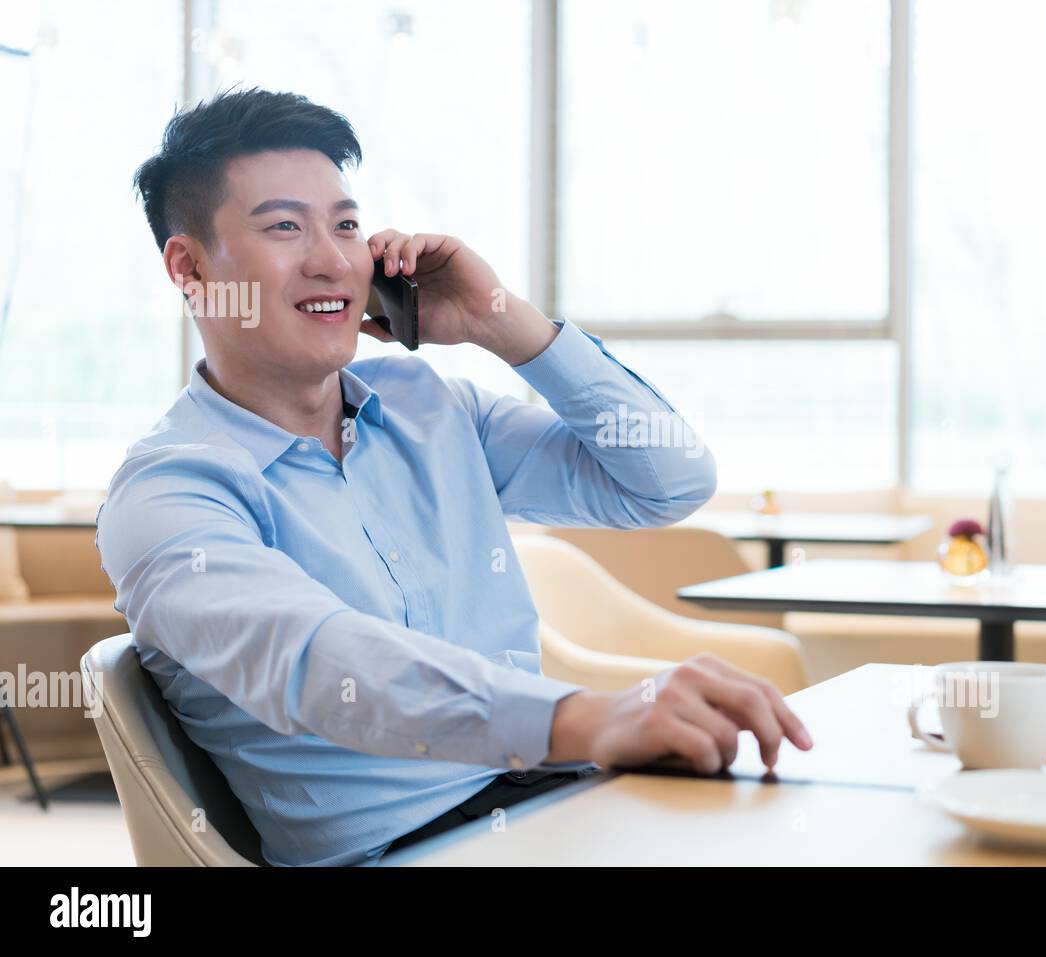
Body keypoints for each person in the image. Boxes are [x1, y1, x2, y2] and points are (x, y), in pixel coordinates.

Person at [98, 87, 812, 867]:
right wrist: (589, 717)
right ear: (190, 266)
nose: (333, 257)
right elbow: (318, 658)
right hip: (413, 849)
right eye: (283, 227)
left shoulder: (431, 408)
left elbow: (668, 479)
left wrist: (507, 326)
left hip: (562, 804)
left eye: (345, 223)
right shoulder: (165, 494)